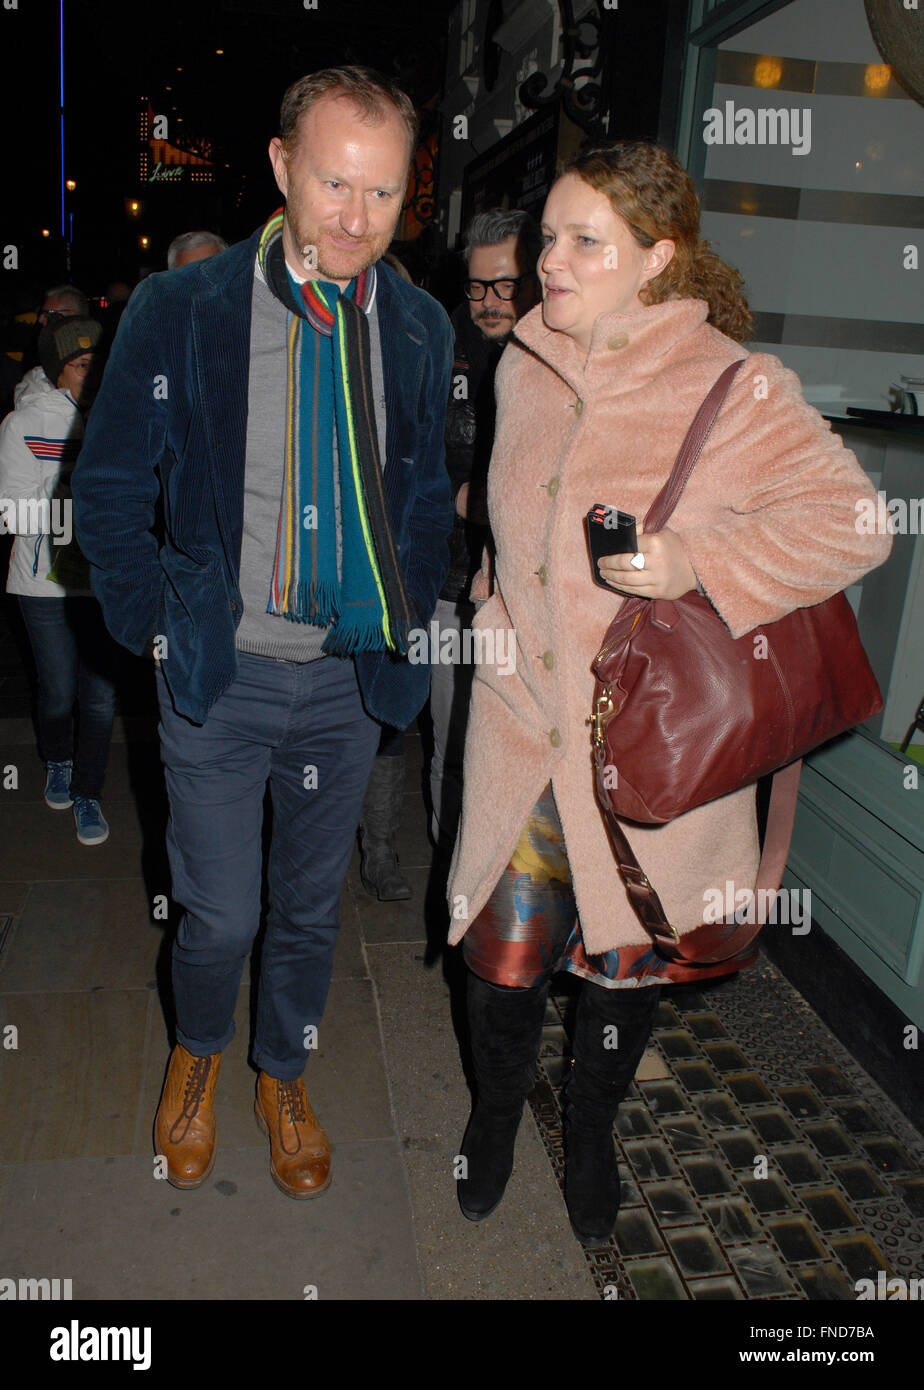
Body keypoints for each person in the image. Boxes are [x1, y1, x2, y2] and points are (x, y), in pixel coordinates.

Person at [446, 140, 892, 1245]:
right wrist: (494, 602)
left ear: (657, 260)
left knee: (620, 974)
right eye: (548, 234)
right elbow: (515, 529)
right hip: (517, 731)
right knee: (499, 968)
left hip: (649, 747)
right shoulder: (521, 363)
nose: (549, 260)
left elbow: (857, 523)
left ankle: (590, 1130)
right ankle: (496, 1116)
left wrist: (701, 563)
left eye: (583, 241)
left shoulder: (732, 385)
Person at [73, 66, 453, 1199]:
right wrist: (155, 627)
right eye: (333, 182)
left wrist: (405, 618)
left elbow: (425, 494)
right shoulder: (181, 310)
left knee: (306, 905)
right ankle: (196, 1054)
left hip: (346, 682)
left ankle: (283, 1071)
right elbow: (107, 492)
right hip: (220, 673)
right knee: (218, 911)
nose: (355, 218)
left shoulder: (421, 327)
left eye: (382, 194)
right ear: (284, 168)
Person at [428, 208, 542, 856]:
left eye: (504, 284)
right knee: (455, 741)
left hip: (533, 597)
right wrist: (461, 499)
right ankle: (457, 884)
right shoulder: (437, 351)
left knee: (521, 752)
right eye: (477, 286)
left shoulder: (559, 354)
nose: (489, 300)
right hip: (451, 586)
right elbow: (394, 464)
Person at [0, 316, 116, 844]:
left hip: (102, 583)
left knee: (100, 699)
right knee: (58, 693)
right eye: (80, 365)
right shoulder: (23, 423)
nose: (91, 376)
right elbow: (14, 515)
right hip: (42, 582)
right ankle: (58, 760)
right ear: (57, 369)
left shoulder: (117, 415)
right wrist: (71, 481)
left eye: (98, 365)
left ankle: (89, 792)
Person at [14, 285, 91, 408]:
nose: (40, 319)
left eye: (48, 314)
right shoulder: (37, 373)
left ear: (71, 315)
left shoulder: (105, 359)